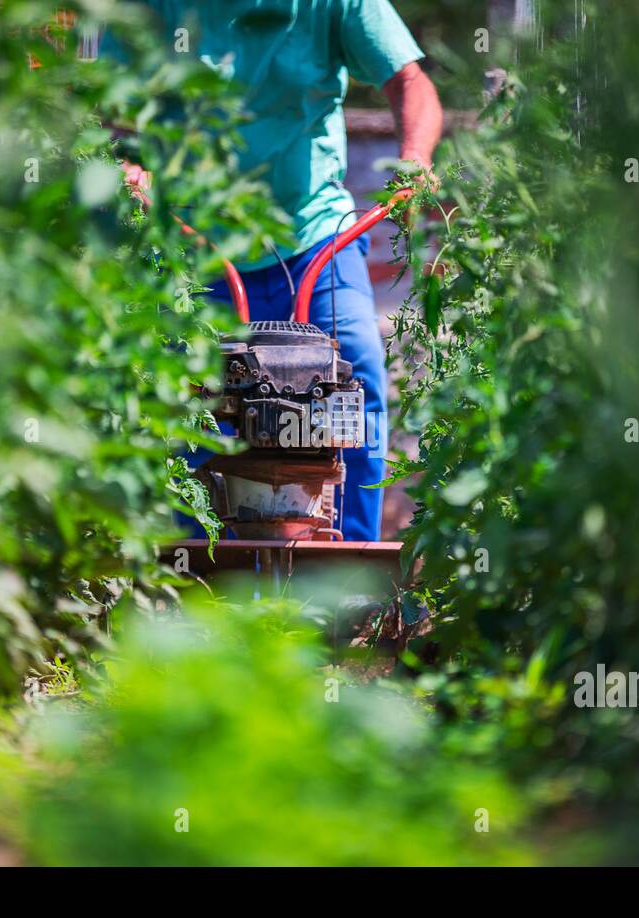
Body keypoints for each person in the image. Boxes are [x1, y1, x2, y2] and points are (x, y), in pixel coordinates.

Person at [111, 1, 443, 542]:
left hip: (318, 238)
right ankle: (197, 582)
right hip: (196, 247)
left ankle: (351, 579)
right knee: (184, 406)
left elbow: (410, 81)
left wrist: (415, 157)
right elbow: (114, 108)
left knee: (355, 383)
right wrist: (128, 165)